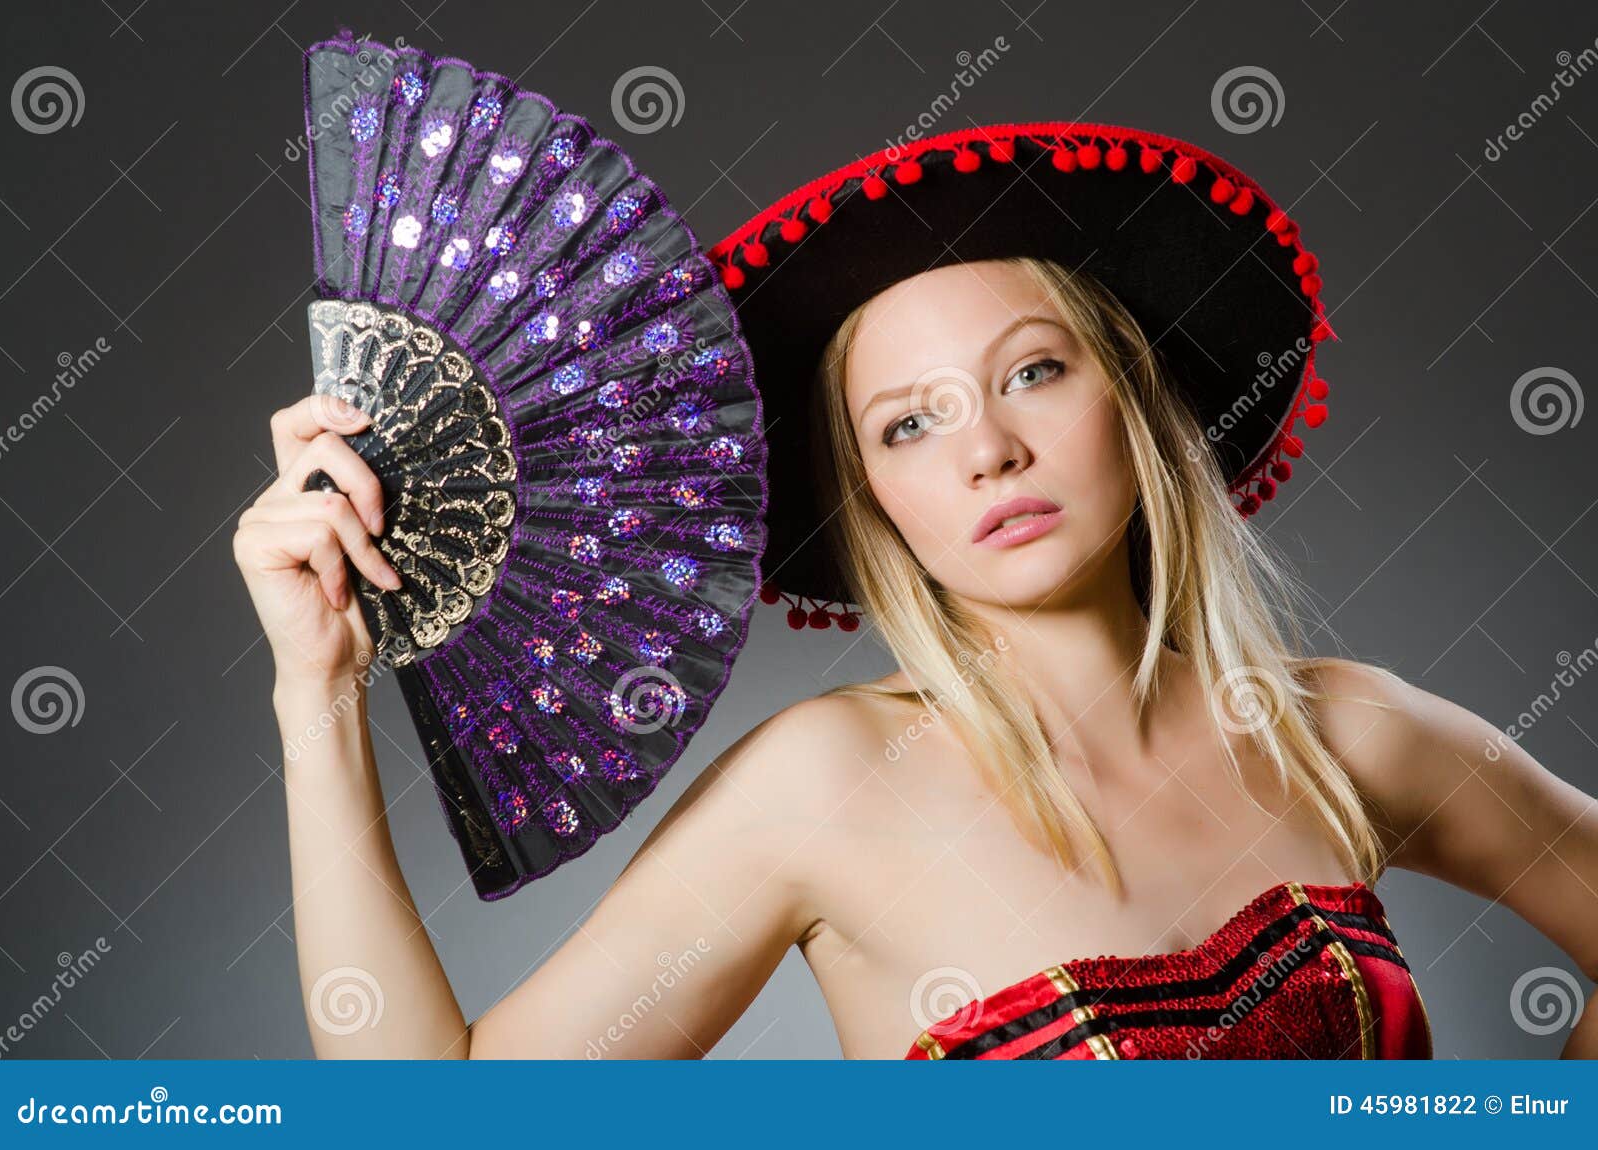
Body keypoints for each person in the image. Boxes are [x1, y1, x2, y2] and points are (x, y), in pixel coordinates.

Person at [234, 124, 1598, 1060]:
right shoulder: (823, 786)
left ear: (1136, 395)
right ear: (870, 490)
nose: (989, 449)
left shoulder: (1345, 732)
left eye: (1034, 372)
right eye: (907, 424)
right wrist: (318, 692)